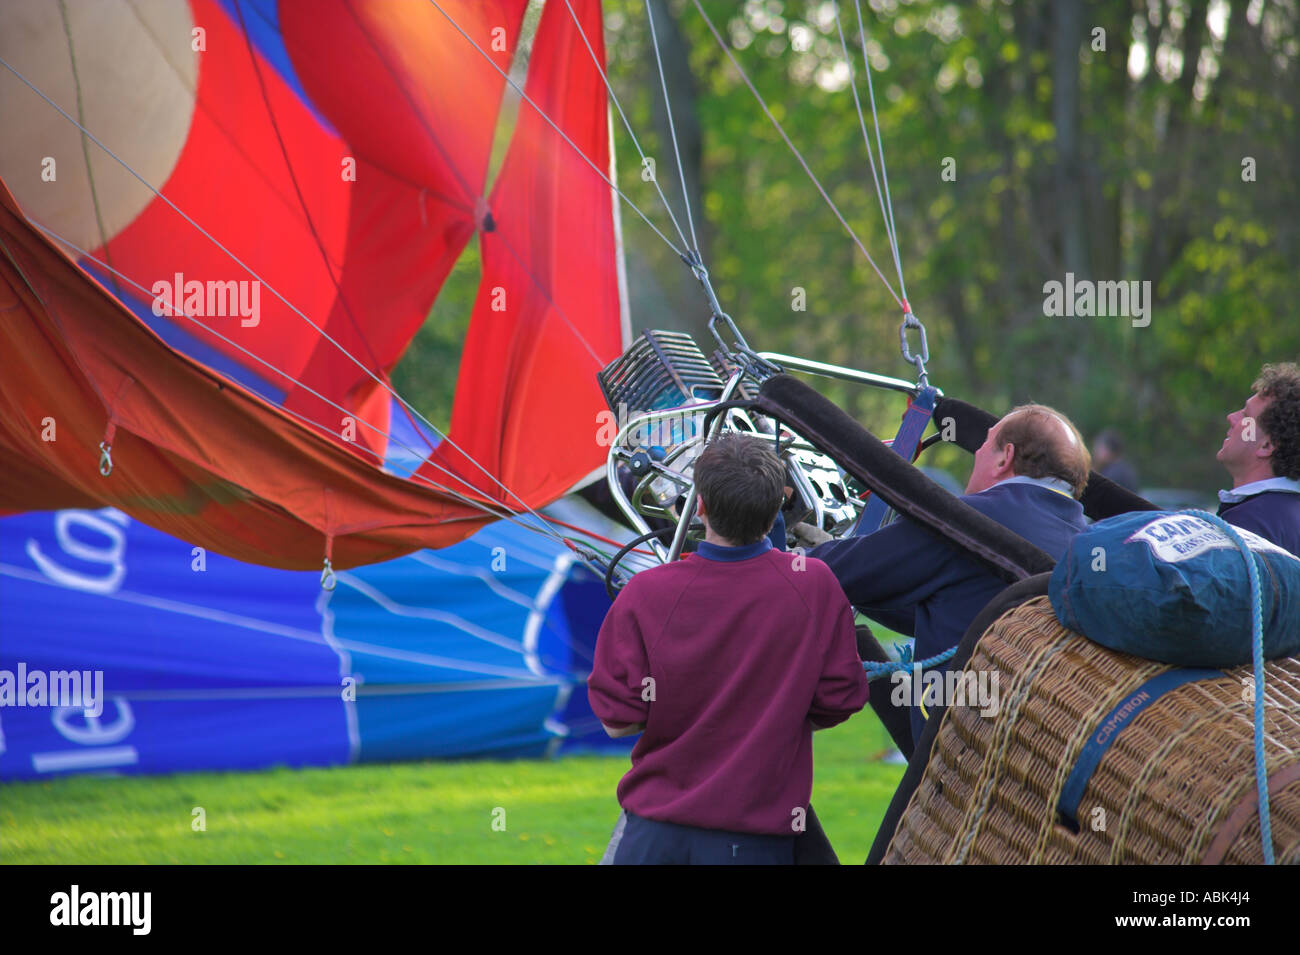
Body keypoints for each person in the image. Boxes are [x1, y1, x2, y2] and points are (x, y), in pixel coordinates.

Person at [588, 432, 869, 865]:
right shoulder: (813, 585)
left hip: (653, 837)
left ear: (698, 504)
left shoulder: (646, 592)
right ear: (779, 506)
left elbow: (618, 721)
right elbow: (840, 699)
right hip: (754, 841)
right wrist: (773, 712)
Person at [799, 404, 1091, 747]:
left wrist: (789, 548)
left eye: (983, 447)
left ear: (1004, 458)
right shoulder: (1087, 540)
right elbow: (941, 607)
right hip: (1044, 747)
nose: (976, 455)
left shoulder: (968, 520)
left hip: (964, 759)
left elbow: (845, 570)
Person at [1215, 362, 1300, 555]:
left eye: (1245, 416)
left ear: (1266, 446)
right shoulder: (1288, 517)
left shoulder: (1248, 523)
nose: (1231, 417)